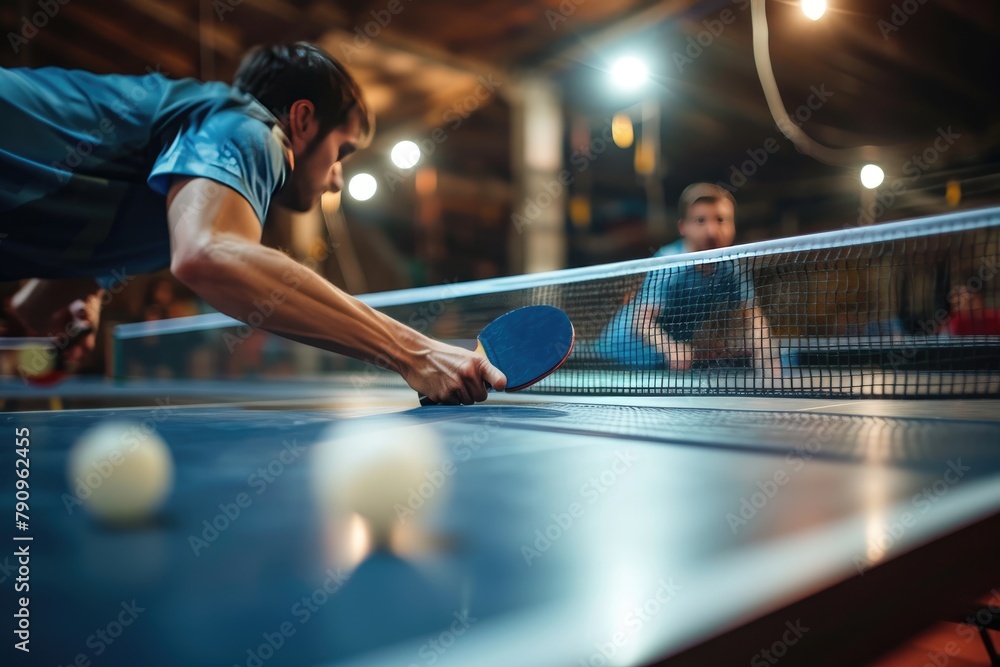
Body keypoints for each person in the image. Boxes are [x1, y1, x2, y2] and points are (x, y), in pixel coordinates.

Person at [0, 43, 505, 404]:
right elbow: (210, 254)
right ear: (301, 120)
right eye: (342, 151)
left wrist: (67, 311)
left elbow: (28, 318)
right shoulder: (248, 124)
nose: (337, 179)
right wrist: (415, 352)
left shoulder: (164, 212)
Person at [597, 183, 779, 374]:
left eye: (721, 219)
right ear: (682, 227)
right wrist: (670, 348)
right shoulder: (669, 263)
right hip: (618, 353)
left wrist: (768, 360)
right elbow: (641, 320)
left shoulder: (731, 267)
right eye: (700, 220)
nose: (711, 231)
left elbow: (751, 315)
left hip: (663, 361)